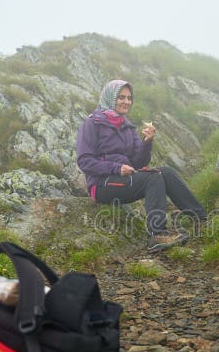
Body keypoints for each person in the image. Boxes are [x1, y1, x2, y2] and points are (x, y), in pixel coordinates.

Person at [76, 79, 208, 251]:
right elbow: (84, 161)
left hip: (125, 180)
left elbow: (139, 162)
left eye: (129, 98)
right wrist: (116, 168)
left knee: (166, 172)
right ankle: (157, 235)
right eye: (121, 97)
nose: (126, 102)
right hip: (102, 184)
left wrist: (147, 142)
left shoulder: (128, 127)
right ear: (110, 97)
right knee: (153, 178)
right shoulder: (92, 124)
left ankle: (201, 220)